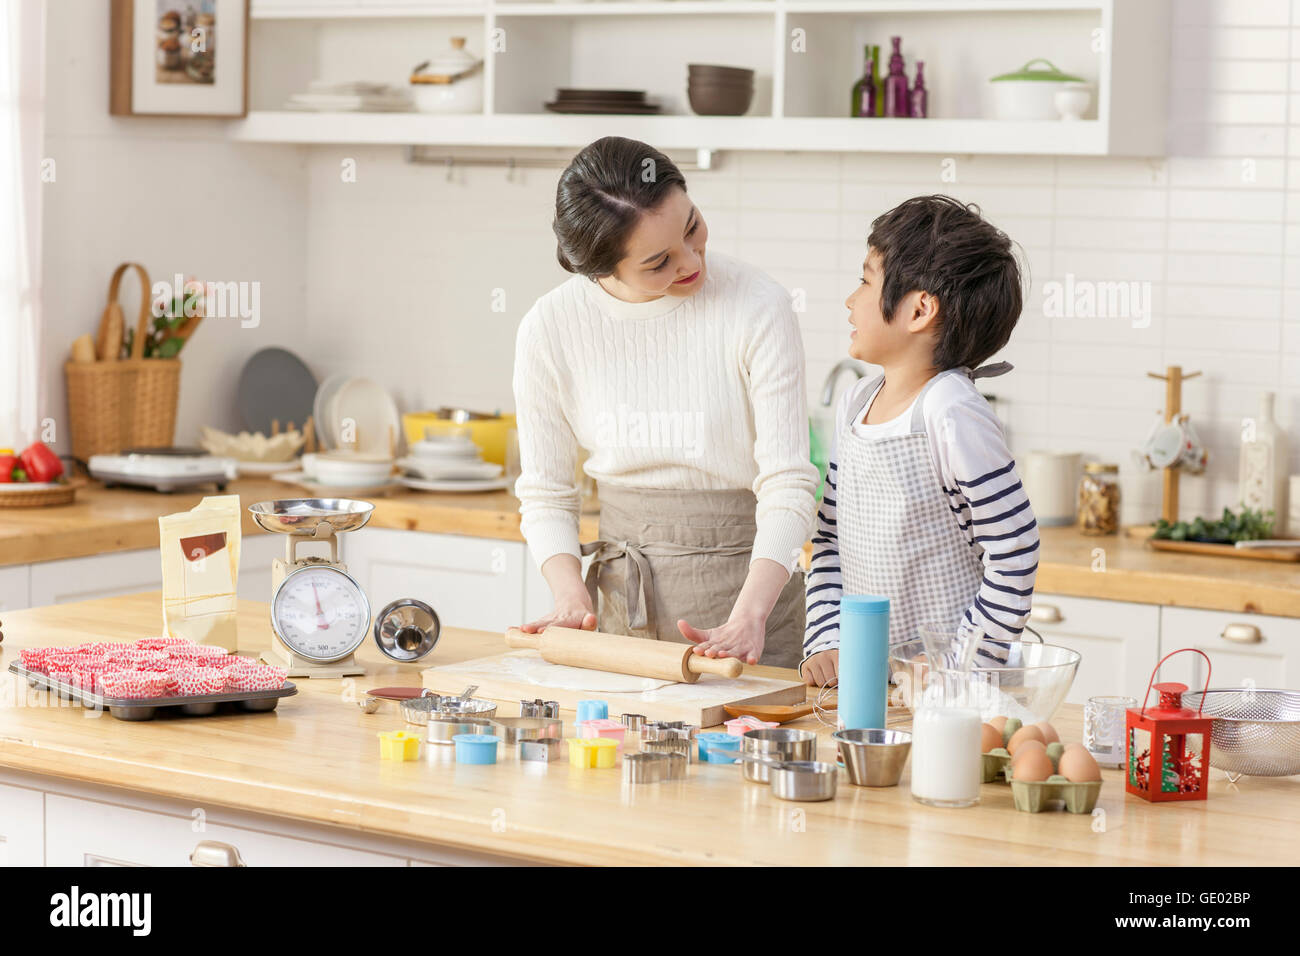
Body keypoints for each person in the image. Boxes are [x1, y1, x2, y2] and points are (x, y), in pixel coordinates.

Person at [513, 136, 818, 667]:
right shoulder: (551, 327)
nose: (692, 259)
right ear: (599, 269)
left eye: (692, 226)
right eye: (658, 262)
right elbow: (546, 493)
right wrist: (570, 597)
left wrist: (750, 615)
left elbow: (789, 482)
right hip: (620, 599)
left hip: (752, 598)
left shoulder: (758, 305)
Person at [802, 195, 1038, 686]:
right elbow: (827, 541)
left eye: (866, 280)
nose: (852, 299)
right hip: (878, 683)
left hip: (958, 696)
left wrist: (960, 668)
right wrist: (827, 639)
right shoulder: (855, 403)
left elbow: (1015, 550)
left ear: (919, 310)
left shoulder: (951, 411)